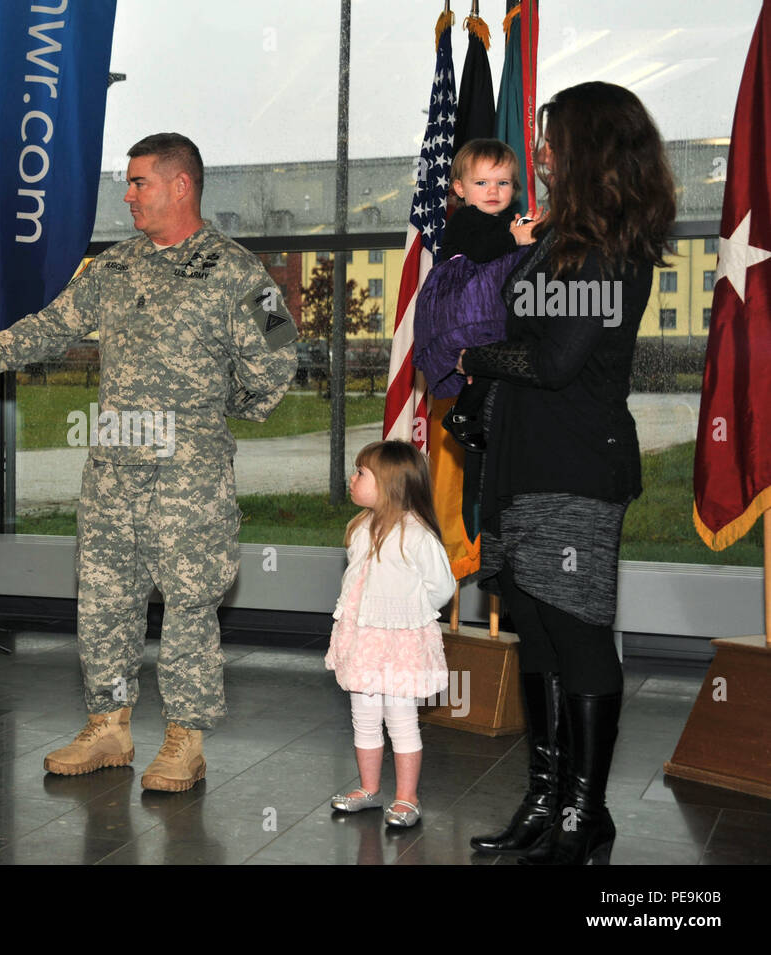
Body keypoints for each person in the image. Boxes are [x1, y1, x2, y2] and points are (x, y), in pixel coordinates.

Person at [0, 133, 298, 792]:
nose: (127, 195)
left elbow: (280, 354)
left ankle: (185, 740)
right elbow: (49, 327)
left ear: (181, 184)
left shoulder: (239, 269)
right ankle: (108, 726)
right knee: (105, 604)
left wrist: (218, 414)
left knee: (190, 605)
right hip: (112, 472)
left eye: (139, 183)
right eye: (128, 184)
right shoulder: (112, 267)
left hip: (188, 474)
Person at [461, 83, 675, 865]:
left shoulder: (610, 249)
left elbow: (552, 361)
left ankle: (587, 816)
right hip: (521, 460)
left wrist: (474, 357)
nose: (539, 154)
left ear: (587, 148)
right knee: (539, 638)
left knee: (579, 640)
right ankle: (545, 800)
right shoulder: (561, 239)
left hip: (575, 467)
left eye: (550, 141)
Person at [326, 440, 454, 828]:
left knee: (401, 720)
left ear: (389, 485)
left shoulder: (416, 535)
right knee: (363, 717)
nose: (352, 477)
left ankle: (406, 796)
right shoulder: (362, 527)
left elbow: (442, 587)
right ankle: (369, 788)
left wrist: (410, 614)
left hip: (400, 644)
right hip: (364, 642)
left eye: (361, 472)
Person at [432, 139, 542, 450]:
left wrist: (527, 231)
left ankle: (471, 411)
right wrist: (516, 237)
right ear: (460, 188)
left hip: (481, 307)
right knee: (493, 356)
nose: (492, 191)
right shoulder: (467, 220)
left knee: (495, 360)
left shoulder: (497, 223)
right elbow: (481, 252)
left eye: (502, 182)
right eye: (481, 182)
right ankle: (462, 414)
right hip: (464, 310)